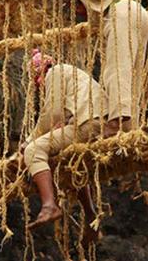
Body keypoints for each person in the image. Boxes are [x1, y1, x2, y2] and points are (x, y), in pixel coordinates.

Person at [30, 0, 148, 136]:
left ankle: (116, 122)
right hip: (139, 14)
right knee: (133, 75)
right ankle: (129, 129)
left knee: (116, 70)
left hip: (122, 13)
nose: (71, 0)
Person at [20, 49, 105, 245]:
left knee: (34, 151)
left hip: (88, 123)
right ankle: (91, 215)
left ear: (39, 72)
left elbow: (53, 114)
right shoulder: (71, 73)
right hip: (97, 122)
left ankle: (49, 205)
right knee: (70, 162)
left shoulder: (54, 73)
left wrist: (28, 142)